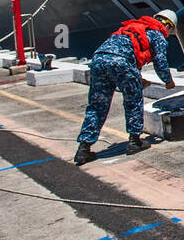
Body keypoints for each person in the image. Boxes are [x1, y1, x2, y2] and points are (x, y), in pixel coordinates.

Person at [74, 9, 178, 165]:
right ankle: (135, 141)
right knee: (133, 100)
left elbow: (129, 54)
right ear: (169, 27)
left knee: (97, 105)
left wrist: (138, 79)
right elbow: (160, 62)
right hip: (122, 62)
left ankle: (84, 148)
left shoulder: (135, 27)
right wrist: (168, 81)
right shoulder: (158, 35)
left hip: (99, 58)